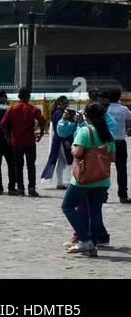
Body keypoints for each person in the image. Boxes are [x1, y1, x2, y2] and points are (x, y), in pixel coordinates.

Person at [62, 100, 115, 256]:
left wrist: (72, 147)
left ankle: (84, 239)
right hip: (102, 178)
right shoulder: (108, 133)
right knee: (95, 212)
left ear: (87, 116)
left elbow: (77, 153)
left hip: (83, 179)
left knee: (67, 206)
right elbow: (112, 157)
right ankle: (92, 243)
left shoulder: (85, 131)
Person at [2, 88, 44, 197]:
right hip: (29, 141)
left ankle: (20, 188)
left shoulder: (11, 109)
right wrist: (41, 133)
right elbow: (43, 121)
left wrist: (8, 136)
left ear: (18, 96)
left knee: (18, 166)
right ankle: (32, 188)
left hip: (16, 141)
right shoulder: (33, 109)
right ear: (28, 97)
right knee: (31, 165)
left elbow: (3, 124)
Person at [98, 88, 130, 204]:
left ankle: (103, 195)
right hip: (120, 141)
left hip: (106, 141)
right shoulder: (124, 109)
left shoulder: (103, 109)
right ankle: (123, 195)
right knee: (121, 169)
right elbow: (128, 121)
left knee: (104, 169)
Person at [41, 96, 71, 185]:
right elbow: (60, 129)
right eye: (64, 103)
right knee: (67, 160)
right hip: (62, 140)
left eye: (67, 103)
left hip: (59, 140)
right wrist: (65, 140)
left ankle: (60, 182)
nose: (66, 105)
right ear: (59, 104)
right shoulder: (59, 114)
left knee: (62, 162)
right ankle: (66, 181)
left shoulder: (59, 112)